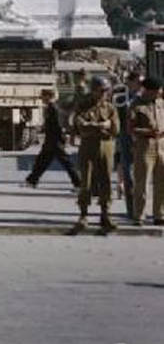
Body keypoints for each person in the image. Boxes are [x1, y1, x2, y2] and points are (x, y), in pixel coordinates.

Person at [73, 76, 119, 233]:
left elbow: (115, 129)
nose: (104, 94)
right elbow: (80, 127)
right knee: (85, 181)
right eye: (101, 91)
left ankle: (105, 214)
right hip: (88, 146)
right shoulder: (83, 106)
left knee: (105, 181)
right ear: (93, 90)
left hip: (106, 146)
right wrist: (100, 125)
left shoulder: (110, 108)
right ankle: (83, 214)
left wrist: (97, 125)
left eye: (106, 91)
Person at [25, 88, 79, 188]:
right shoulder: (51, 107)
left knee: (66, 163)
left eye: (43, 96)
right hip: (50, 140)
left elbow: (58, 125)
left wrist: (62, 138)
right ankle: (32, 180)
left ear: (48, 96)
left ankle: (79, 183)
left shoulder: (54, 108)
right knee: (42, 161)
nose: (41, 98)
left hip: (55, 140)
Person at [129, 76, 164, 226]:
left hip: (161, 145)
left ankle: (159, 215)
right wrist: (148, 131)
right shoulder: (136, 105)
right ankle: (139, 215)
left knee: (161, 182)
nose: (159, 93)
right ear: (148, 91)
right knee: (142, 182)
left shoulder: (161, 103)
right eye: (157, 91)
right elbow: (130, 129)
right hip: (144, 146)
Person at [116, 71, 142, 211]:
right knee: (128, 171)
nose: (140, 86)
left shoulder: (144, 98)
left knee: (141, 174)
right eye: (138, 83)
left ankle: (138, 208)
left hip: (142, 139)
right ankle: (131, 208)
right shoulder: (121, 98)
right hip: (126, 137)